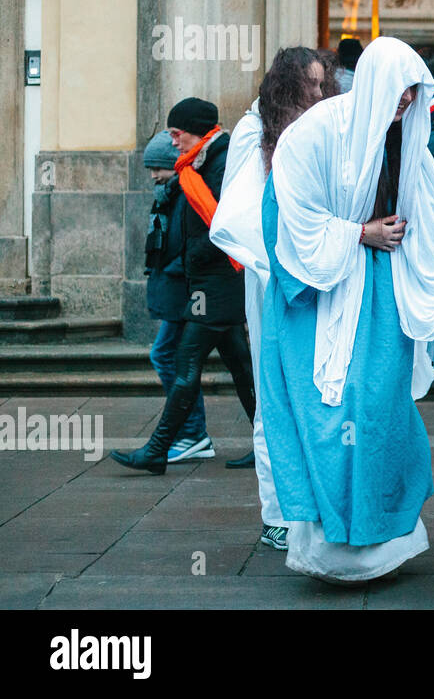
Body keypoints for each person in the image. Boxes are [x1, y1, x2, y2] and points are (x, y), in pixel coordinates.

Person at [258, 36, 434, 583]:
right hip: (321, 292)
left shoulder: (411, 136)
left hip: (381, 292)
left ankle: (382, 546)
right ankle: (328, 551)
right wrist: (359, 232)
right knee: (329, 414)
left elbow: (433, 209)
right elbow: (290, 210)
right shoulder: (316, 132)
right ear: (373, 84)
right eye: (399, 93)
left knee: (378, 408)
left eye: (414, 93)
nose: (406, 103)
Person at [210, 47, 336, 551]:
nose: (321, 93)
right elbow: (239, 211)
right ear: (287, 86)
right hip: (271, 277)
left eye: (325, 83)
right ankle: (278, 513)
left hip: (319, 273)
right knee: (273, 391)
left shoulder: (326, 125)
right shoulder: (252, 129)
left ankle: (314, 506)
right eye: (311, 84)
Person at [112, 99, 257, 474]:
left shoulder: (221, 162)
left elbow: (226, 222)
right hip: (209, 280)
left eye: (176, 134)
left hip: (219, 282)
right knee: (240, 366)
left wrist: (195, 255)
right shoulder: (199, 162)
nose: (172, 142)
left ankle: (159, 449)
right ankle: (270, 444)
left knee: (185, 361)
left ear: (195, 130)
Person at [142, 130, 212, 462]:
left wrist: (174, 270)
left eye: (158, 167)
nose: (154, 174)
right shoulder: (169, 193)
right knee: (179, 360)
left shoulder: (184, 193)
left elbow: (189, 243)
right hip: (176, 291)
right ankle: (193, 433)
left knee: (167, 357)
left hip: (183, 293)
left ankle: (193, 432)